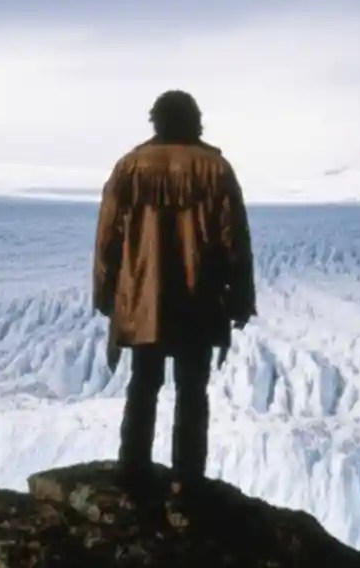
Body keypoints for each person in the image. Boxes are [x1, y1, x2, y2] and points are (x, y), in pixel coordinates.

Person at [92, 90, 257, 481]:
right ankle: (188, 480)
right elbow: (235, 238)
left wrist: (106, 294)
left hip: (143, 298)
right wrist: (240, 297)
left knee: (143, 383)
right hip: (199, 298)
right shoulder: (216, 168)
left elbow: (107, 239)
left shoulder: (129, 167)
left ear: (156, 121)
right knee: (192, 390)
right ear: (195, 121)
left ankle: (132, 471)